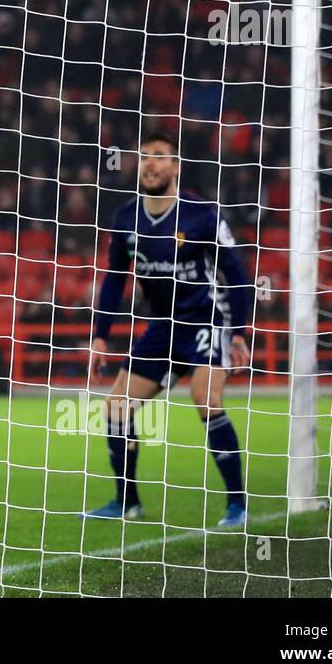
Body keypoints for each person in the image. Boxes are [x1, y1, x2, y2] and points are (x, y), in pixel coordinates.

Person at [86, 132, 254, 529]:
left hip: (207, 319)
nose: (150, 163)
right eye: (144, 156)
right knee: (115, 408)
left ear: (176, 166)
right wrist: (99, 334)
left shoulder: (202, 214)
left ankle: (237, 505)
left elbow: (237, 272)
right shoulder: (126, 218)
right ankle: (127, 503)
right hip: (163, 327)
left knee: (205, 398)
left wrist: (241, 332)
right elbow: (113, 279)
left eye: (160, 156)